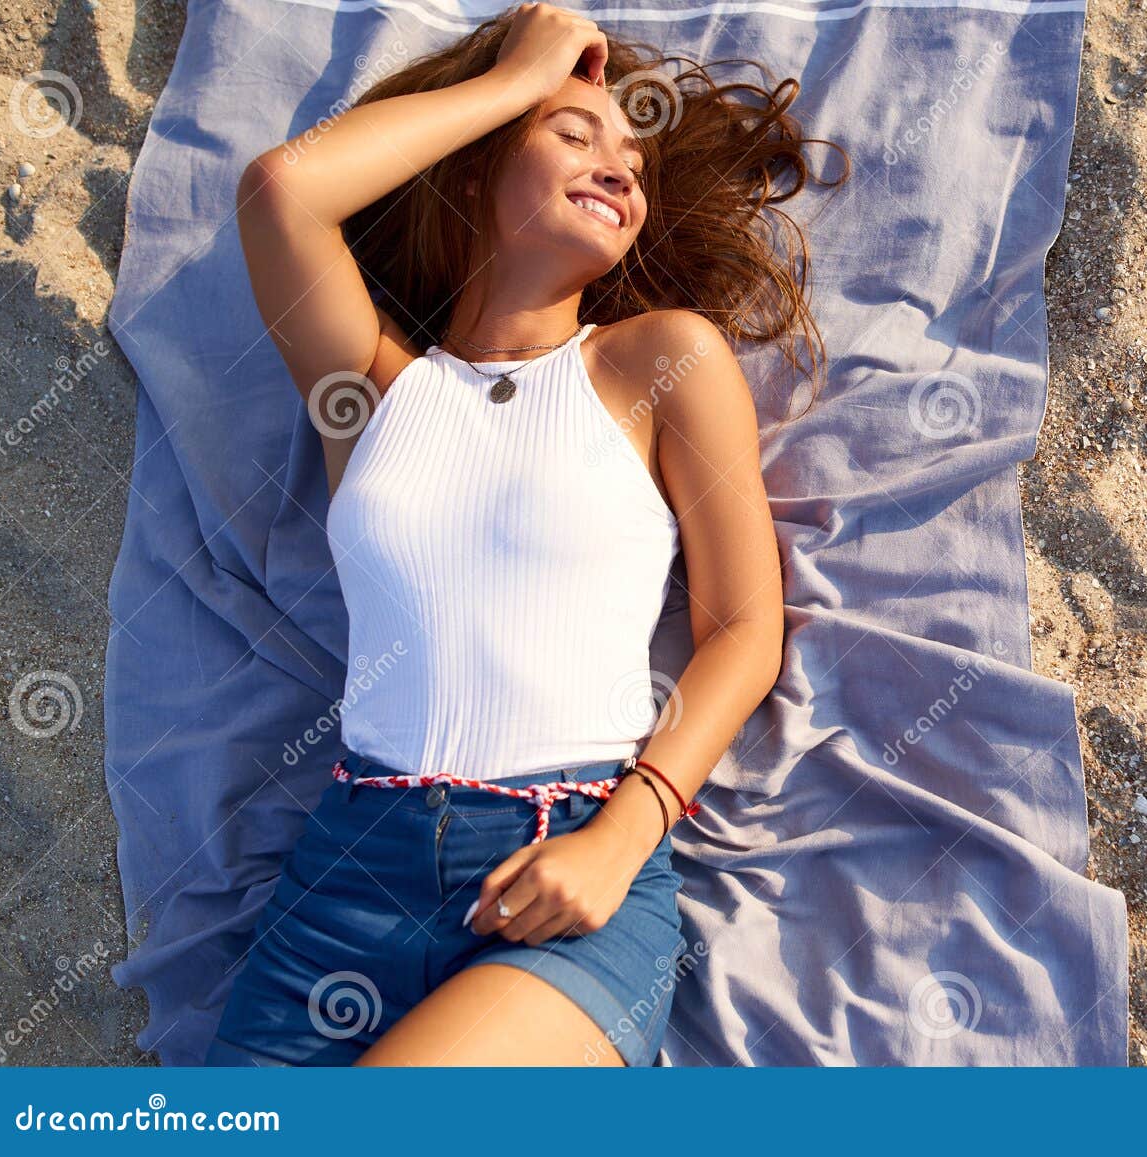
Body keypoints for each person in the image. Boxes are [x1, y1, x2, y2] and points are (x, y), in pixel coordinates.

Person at [204, 2, 847, 1067]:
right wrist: (515, 79)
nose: (621, 169)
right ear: (470, 165)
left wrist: (623, 833)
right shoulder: (365, 393)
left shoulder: (655, 362)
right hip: (344, 883)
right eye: (574, 135)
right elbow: (283, 192)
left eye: (634, 161)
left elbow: (742, 625)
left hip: (567, 866)